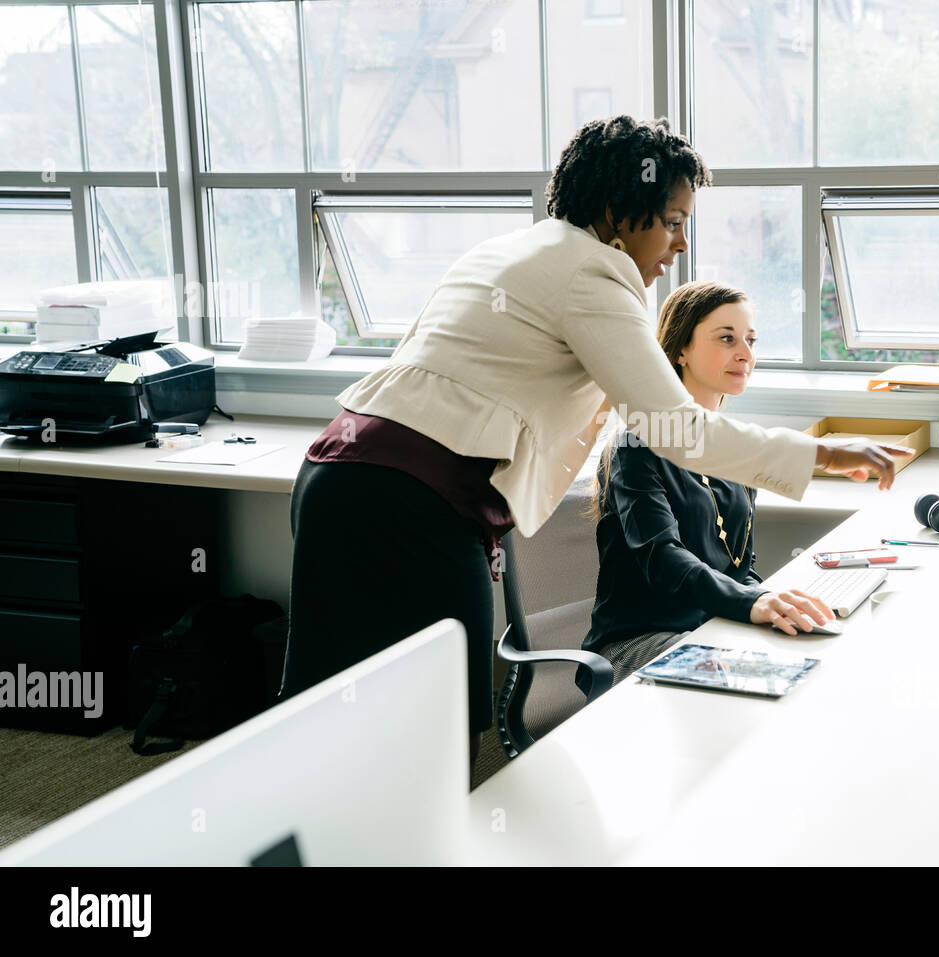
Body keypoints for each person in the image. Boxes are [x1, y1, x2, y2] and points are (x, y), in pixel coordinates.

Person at [280, 115, 898, 765]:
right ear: (616, 213)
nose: (680, 243)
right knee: (436, 736)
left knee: (325, 714)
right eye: (672, 220)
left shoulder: (508, 251)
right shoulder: (593, 274)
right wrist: (825, 453)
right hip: (409, 504)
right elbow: (677, 429)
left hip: (337, 474)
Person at [583, 281, 836, 685]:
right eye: (726, 338)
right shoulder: (638, 445)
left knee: (813, 657)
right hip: (640, 641)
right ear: (681, 349)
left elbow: (740, 566)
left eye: (751, 340)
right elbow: (663, 560)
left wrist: (777, 604)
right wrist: (754, 602)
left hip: (714, 628)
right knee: (766, 680)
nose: (746, 354)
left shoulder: (735, 446)